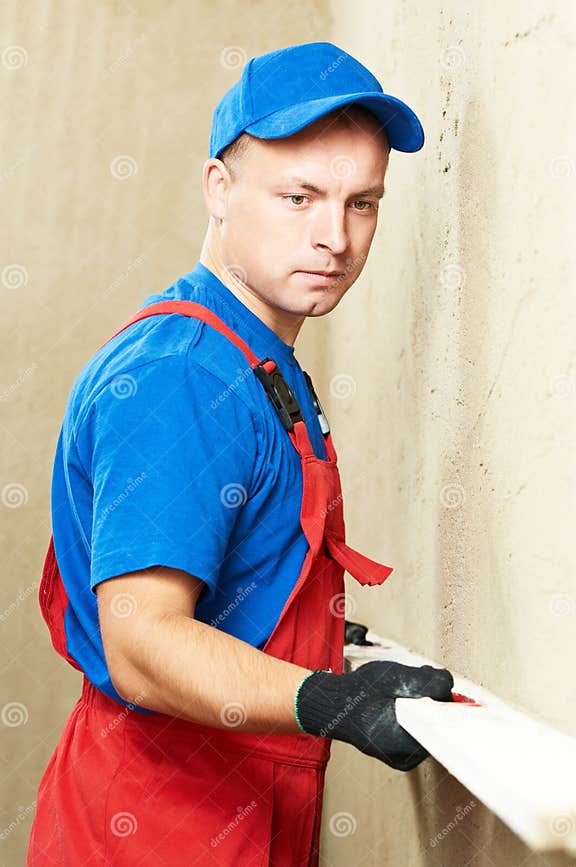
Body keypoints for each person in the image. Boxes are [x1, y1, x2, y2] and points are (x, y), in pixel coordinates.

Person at [27, 40, 454, 866]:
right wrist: (331, 698)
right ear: (218, 190)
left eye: (361, 203)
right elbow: (144, 642)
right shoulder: (183, 375)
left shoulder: (253, 357)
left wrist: (315, 635)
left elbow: (231, 563)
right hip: (157, 827)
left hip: (235, 813)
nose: (334, 236)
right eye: (298, 197)